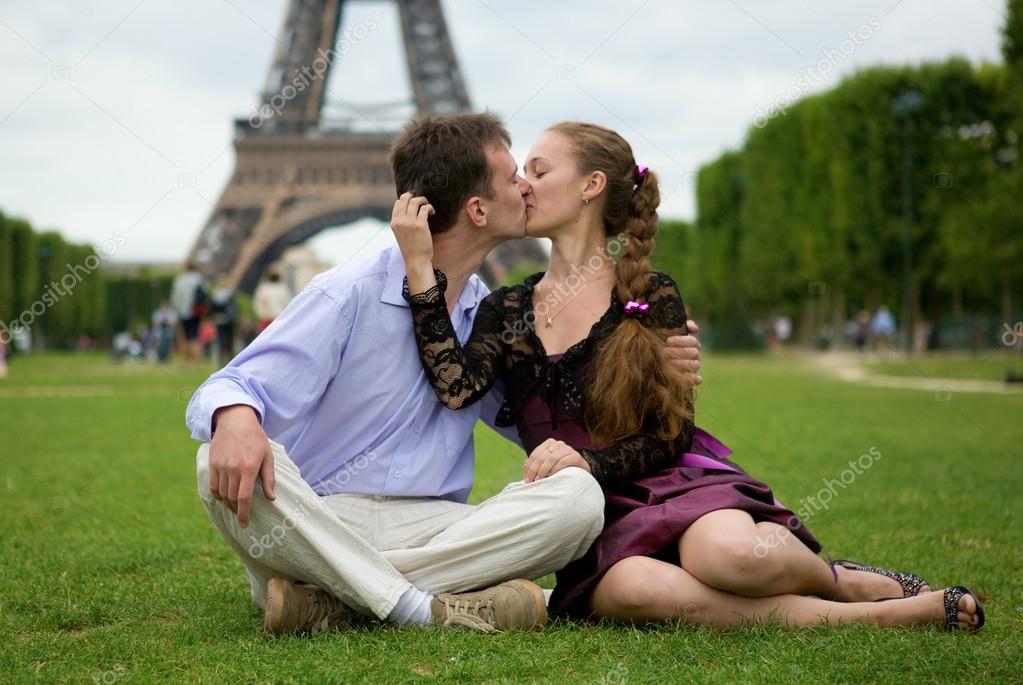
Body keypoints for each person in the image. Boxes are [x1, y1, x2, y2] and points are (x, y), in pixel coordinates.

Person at [392, 121, 984, 632]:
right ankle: (871, 614)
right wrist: (421, 270)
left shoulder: (651, 296)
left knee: (733, 558)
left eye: (539, 171)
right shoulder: (507, 309)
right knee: (634, 593)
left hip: (666, 482)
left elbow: (672, 437)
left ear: (591, 186)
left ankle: (840, 580)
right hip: (588, 515)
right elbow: (456, 387)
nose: (521, 183)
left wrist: (588, 463)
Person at [185, 112, 706, 635]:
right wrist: (234, 417)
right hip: (323, 517)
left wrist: (643, 363)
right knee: (217, 457)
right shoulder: (349, 292)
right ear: (477, 209)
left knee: (576, 499)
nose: (525, 187)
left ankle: (336, 595)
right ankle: (418, 607)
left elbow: (554, 416)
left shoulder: (495, 317)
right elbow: (229, 383)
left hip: (433, 528)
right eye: (512, 178)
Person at [171, 261, 206, 365]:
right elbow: (203, 296)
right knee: (194, 336)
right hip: (195, 312)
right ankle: (195, 362)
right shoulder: (199, 279)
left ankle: (185, 361)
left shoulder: (179, 280)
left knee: (184, 337)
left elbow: (175, 298)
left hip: (182, 312)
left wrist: (177, 311)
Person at [209, 276, 238, 366]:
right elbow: (233, 309)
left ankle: (220, 362)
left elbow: (212, 309)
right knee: (229, 341)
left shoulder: (215, 294)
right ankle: (230, 360)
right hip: (228, 320)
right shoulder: (229, 294)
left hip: (218, 319)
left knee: (220, 341)